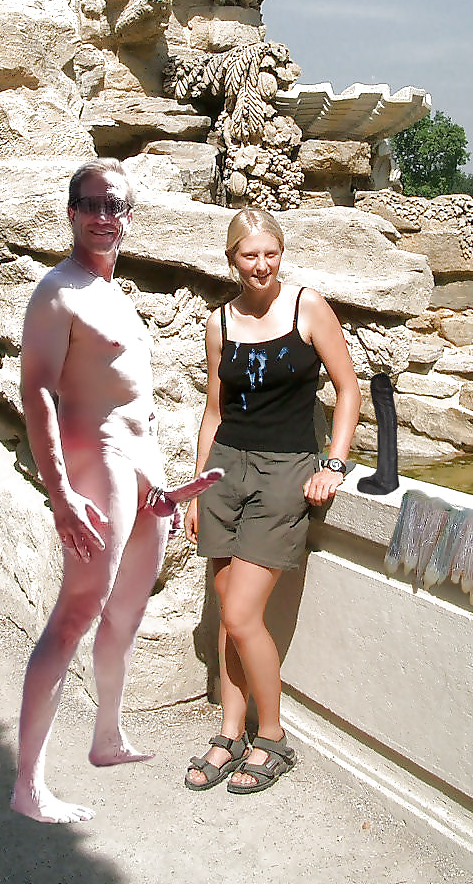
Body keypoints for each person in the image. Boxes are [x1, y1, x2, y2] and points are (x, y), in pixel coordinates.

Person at [11, 158, 220, 823]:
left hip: (140, 470)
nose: (104, 217)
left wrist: (162, 485)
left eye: (116, 206)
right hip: (96, 467)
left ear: (129, 217)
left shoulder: (113, 292)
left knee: (125, 613)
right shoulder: (58, 292)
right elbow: (37, 393)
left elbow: (132, 403)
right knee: (74, 616)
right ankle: (28, 786)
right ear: (72, 212)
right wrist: (60, 494)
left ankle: (107, 736)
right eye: (92, 204)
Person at [183, 208, 361, 793]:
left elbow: (348, 389)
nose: (261, 266)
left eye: (270, 254)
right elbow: (214, 412)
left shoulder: (307, 307)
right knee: (225, 610)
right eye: (249, 255)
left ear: (281, 253)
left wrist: (333, 462)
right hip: (225, 469)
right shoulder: (219, 323)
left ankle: (273, 736)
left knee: (241, 614)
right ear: (231, 259)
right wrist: (196, 488)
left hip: (285, 471)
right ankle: (230, 731)